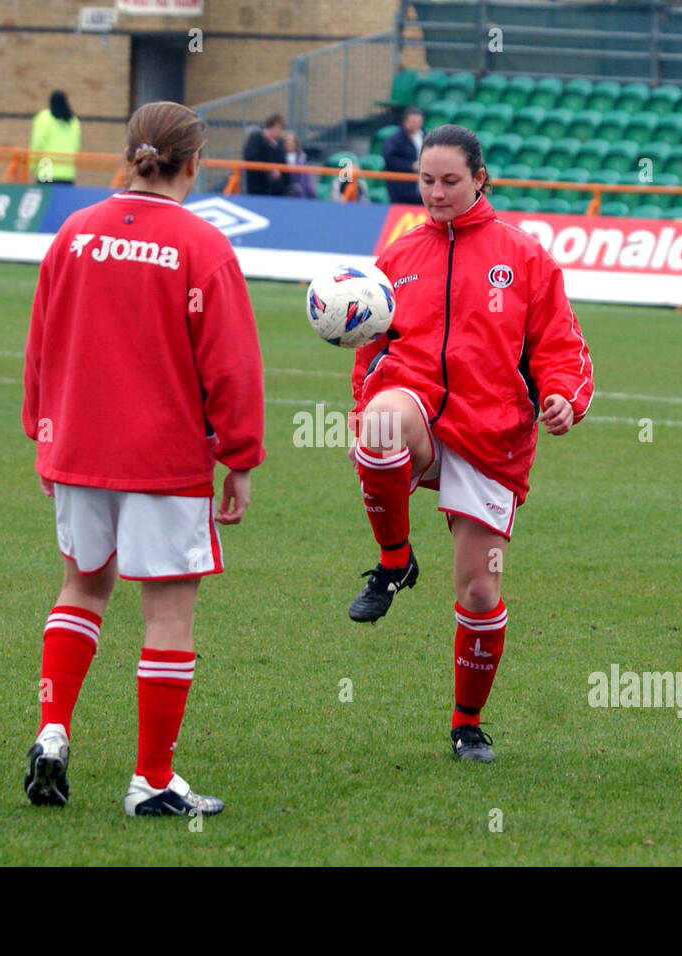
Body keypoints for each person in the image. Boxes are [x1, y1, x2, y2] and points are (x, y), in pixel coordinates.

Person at [22, 100, 265, 817]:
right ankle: (152, 780)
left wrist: (44, 435)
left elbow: (39, 344)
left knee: (81, 590)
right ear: (197, 163)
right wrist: (241, 457)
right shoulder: (201, 244)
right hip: (162, 458)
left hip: (76, 447)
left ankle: (53, 731)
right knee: (167, 616)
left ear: (130, 152)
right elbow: (232, 366)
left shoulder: (73, 232)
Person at [348, 124, 593, 762]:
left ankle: (466, 722)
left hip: (493, 435)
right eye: (425, 181)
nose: (435, 193)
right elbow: (372, 353)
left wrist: (565, 396)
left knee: (479, 591)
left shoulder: (527, 257)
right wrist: (366, 400)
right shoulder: (397, 258)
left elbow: (561, 348)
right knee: (379, 421)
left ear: (480, 178)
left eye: (450, 181)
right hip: (419, 412)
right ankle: (395, 561)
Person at [29, 90, 81, 184]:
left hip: (46, 170)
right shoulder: (73, 121)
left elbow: (38, 142)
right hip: (67, 173)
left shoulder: (44, 117)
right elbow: (76, 145)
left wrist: (32, 164)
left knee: (46, 198)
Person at [381, 107, 424, 204]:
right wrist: (411, 166)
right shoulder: (394, 139)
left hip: (421, 187)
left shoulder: (425, 136)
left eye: (418, 121)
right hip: (401, 188)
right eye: (413, 121)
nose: (416, 124)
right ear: (405, 121)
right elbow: (389, 159)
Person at [241, 113, 285, 195]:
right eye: (278, 128)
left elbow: (282, 161)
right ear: (271, 127)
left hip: (275, 188)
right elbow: (250, 156)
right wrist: (269, 171)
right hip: (257, 185)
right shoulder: (256, 139)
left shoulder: (279, 144)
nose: (279, 131)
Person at [281, 131, 315, 198]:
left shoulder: (301, 159)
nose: (290, 144)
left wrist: (313, 195)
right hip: (283, 193)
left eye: (292, 141)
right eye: (287, 141)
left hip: (298, 194)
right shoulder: (279, 158)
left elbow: (307, 180)